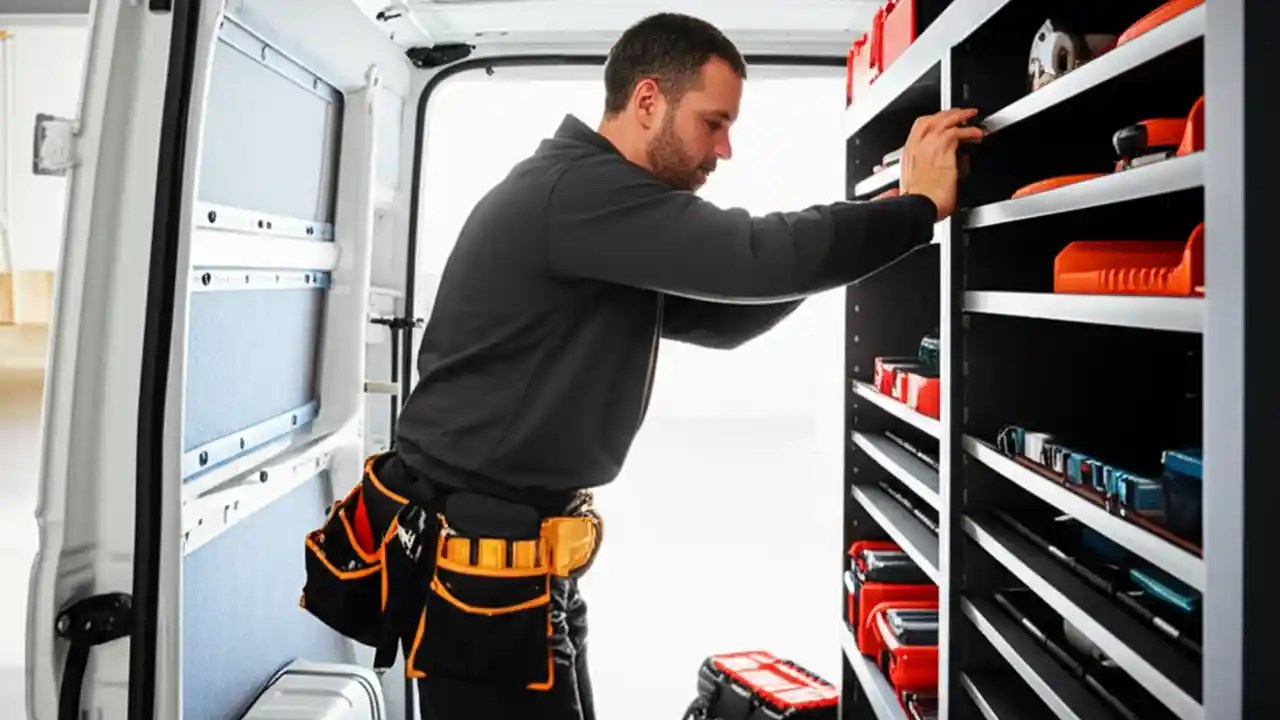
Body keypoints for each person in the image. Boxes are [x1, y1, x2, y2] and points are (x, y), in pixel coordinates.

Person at [378, 11, 981, 720]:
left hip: (525, 571)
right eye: (713, 122)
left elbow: (730, 312)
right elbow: (755, 257)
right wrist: (914, 209)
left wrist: (881, 223)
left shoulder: (597, 214)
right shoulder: (577, 192)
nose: (724, 149)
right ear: (646, 102)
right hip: (482, 577)